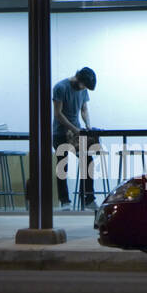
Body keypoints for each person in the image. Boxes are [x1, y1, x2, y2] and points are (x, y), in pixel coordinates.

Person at [52, 66, 97, 209]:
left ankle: (88, 199)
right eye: (83, 85)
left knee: (88, 161)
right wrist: (74, 129)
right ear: (78, 78)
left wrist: (88, 126)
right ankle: (65, 201)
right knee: (62, 165)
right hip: (60, 133)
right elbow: (58, 114)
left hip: (76, 133)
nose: (83, 88)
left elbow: (84, 109)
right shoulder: (60, 87)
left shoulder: (83, 90)